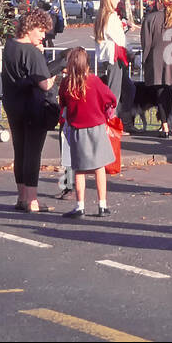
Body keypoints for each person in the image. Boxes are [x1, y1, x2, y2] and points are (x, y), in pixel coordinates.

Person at [1, 11, 55, 212]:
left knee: (20, 151)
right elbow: (45, 84)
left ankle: (22, 197)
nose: (43, 36)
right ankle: (32, 201)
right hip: (33, 108)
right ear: (30, 28)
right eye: (41, 31)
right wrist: (55, 73)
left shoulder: (10, 45)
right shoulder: (32, 52)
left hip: (13, 105)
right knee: (33, 153)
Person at [58, 47, 117, 218]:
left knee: (79, 169)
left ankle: (80, 206)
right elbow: (111, 98)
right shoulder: (95, 81)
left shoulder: (66, 83)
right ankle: (102, 205)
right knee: (99, 168)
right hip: (97, 128)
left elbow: (63, 103)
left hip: (77, 129)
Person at [141, 0, 172, 137]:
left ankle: (165, 125)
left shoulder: (150, 19)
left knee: (160, 93)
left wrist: (144, 60)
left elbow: (146, 44)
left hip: (157, 62)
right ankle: (170, 124)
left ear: (159, 1)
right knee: (171, 94)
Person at [95, 0, 135, 126]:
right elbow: (119, 38)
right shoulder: (110, 16)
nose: (119, 0)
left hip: (113, 56)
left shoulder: (106, 15)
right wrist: (130, 50)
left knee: (128, 88)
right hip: (114, 57)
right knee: (114, 92)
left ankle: (123, 120)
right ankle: (111, 122)